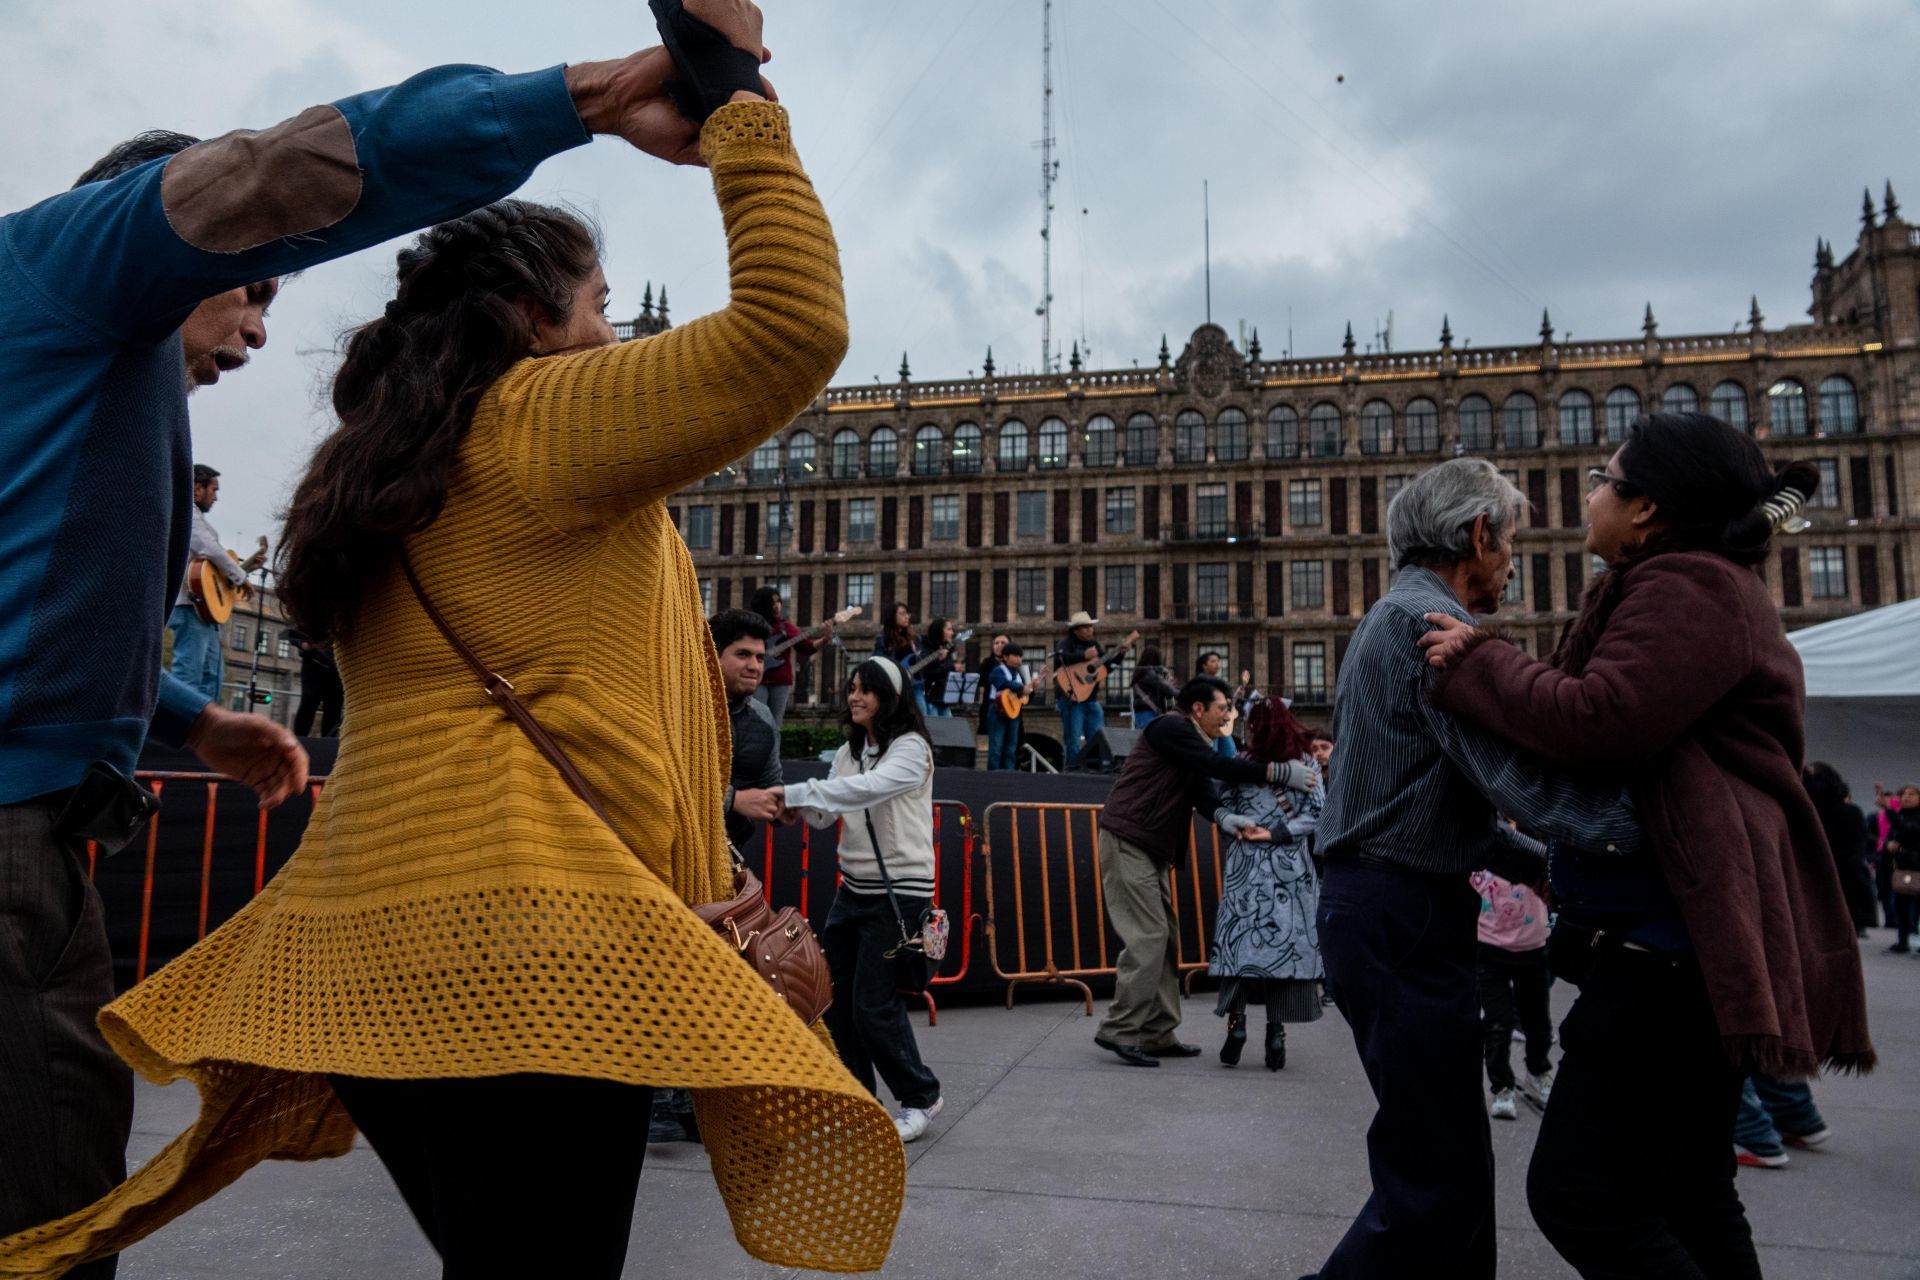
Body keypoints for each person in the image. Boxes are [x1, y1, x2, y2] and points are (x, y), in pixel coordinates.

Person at [0, 15, 906, 1277]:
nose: (615, 341)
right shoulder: (535, 416)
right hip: (524, 953)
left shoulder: (376, 470)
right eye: (599, 308)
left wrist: (183, 721)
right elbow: (791, 327)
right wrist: (728, 103)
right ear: (530, 318)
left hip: (369, 956)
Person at [1420, 416, 1876, 1279]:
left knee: (1581, 1195)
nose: (1588, 490)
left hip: (1670, 954)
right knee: (1690, 1189)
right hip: (1686, 949)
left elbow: (1602, 718)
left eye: (1603, 476)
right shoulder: (1688, 582)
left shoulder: (1688, 586)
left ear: (1646, 509)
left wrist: (1480, 664)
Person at [1310, 457, 1646, 1280]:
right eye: (1510, 543)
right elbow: (1510, 777)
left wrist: (1538, 867)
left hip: (1389, 903)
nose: (1512, 563)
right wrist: (1639, 831)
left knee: (1452, 1172)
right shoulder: (1430, 627)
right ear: (1477, 534)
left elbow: (1433, 797)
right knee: (1437, 1180)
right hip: (1402, 914)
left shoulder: (1392, 615)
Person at [1093, 675, 1313, 1068]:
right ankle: (1120, 1030)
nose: (1227, 715)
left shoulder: (1192, 740)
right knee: (1148, 936)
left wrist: (1226, 817)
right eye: (1222, 707)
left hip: (1149, 846)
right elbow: (1217, 766)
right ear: (1198, 709)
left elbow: (1202, 793)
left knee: (1166, 939)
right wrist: (1278, 773)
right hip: (1129, 839)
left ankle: (1157, 1033)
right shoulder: (1171, 726)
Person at [775, 658, 944, 1142]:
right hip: (853, 892)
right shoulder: (852, 750)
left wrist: (793, 791)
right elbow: (830, 814)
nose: (855, 697)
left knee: (873, 1006)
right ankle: (859, 1101)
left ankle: (921, 1096)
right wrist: (802, 807)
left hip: (900, 894)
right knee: (836, 1001)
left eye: (866, 690)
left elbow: (869, 789)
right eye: (851, 689)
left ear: (888, 697)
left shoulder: (911, 750)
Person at [1210, 699, 1324, 1072]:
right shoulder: (1306, 765)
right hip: (1290, 866)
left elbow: (1221, 801)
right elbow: (1318, 814)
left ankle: (1237, 1023)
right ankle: (1277, 1034)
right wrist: (1277, 831)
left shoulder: (1241, 764)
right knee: (1285, 950)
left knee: (1241, 946)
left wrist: (1242, 824)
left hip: (1246, 864)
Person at [168, 464, 266, 701]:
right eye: (214, 489)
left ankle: (199, 732)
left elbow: (212, 569)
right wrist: (240, 577)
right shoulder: (186, 512)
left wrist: (248, 568)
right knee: (189, 676)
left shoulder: (198, 518)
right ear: (198, 489)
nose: (216, 497)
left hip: (203, 611)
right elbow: (207, 547)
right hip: (191, 605)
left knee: (211, 678)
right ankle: (177, 734)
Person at [1470, 868, 1554, 1121]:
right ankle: (1502, 1088)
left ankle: (1538, 1071)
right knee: (1497, 1023)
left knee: (1538, 1022)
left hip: (1533, 949)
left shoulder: (1533, 853)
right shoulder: (1482, 856)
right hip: (1489, 951)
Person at [711, 609, 783, 852]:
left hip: (729, 855)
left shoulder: (763, 717)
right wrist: (734, 800)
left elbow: (770, 783)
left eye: (760, 658)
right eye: (743, 654)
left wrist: (786, 804)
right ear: (712, 655)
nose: (754, 666)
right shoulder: (679, 707)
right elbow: (668, 780)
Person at [1803, 762, 1876, 936]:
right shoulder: (1852, 812)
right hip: (1848, 875)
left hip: (1813, 877)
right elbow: (1860, 844)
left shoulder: (1806, 813)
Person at [748, 584, 829, 726]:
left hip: (780, 682)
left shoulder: (786, 627)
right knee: (759, 721)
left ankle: (775, 749)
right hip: (757, 678)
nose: (777, 605)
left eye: (778, 601)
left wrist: (824, 639)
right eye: (773, 602)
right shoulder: (752, 625)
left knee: (775, 723)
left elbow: (806, 647)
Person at [1054, 611, 1113, 769]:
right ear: (1075, 630)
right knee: (1073, 740)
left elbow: (1105, 668)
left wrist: (1120, 655)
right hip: (1072, 699)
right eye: (1086, 627)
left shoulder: (1095, 645)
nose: (1090, 630)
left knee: (1097, 737)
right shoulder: (1065, 643)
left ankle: (1096, 768)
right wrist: (1082, 656)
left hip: (1091, 699)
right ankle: (1072, 770)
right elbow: (1059, 659)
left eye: (1091, 627)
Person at [288, 629, 344, 738]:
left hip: (336, 668)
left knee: (333, 710)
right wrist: (302, 643)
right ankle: (300, 740)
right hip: (314, 666)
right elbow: (294, 631)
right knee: (308, 704)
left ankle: (328, 745)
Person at [1884, 784, 1920, 952]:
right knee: (1901, 904)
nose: (1906, 797)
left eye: (1911, 794)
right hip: (1902, 865)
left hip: (1917, 865)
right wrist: (1889, 844)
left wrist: (1888, 810)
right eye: (1904, 794)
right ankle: (1902, 940)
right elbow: (1893, 835)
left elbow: (1909, 831)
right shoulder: (1900, 815)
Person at [985, 643, 1032, 771]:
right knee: (996, 746)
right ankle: (994, 773)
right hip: (997, 710)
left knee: (1011, 747)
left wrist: (1029, 689)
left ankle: (1008, 774)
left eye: (1020, 657)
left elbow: (1022, 696)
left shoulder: (1018, 675)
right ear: (1005, 657)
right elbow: (1001, 683)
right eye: (1015, 656)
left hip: (1013, 712)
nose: (1019, 660)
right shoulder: (998, 670)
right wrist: (1021, 687)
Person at [918, 617, 958, 717]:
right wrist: (942, 662)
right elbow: (927, 673)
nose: (952, 633)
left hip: (944, 699)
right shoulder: (926, 648)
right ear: (940, 631)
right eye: (949, 629)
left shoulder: (948, 648)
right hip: (931, 698)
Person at [1129, 645, 1176, 729]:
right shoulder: (1149, 673)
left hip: (1143, 713)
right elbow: (1167, 689)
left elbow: (1165, 692)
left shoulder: (1141, 672)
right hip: (1149, 713)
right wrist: (1184, 694)